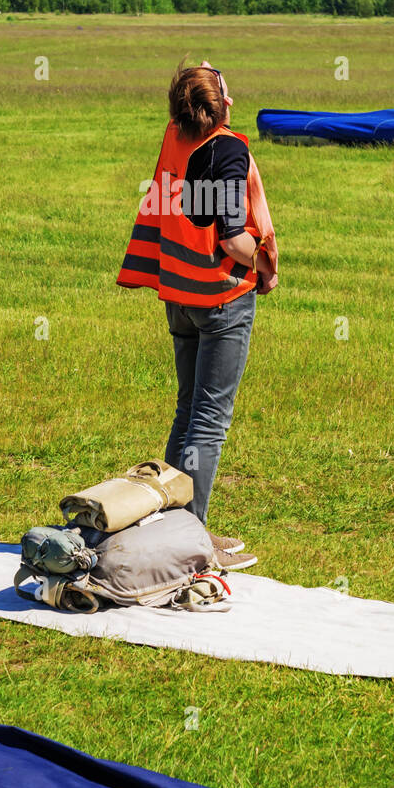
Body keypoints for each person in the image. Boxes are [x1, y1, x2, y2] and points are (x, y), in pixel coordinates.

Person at [117, 60, 278, 569]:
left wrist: (202, 78)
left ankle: (166, 526)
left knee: (187, 412)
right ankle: (193, 542)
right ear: (222, 103)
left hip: (178, 294)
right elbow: (232, 236)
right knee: (208, 423)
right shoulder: (227, 148)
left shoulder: (175, 136)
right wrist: (266, 265)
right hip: (221, 298)